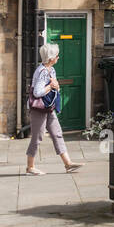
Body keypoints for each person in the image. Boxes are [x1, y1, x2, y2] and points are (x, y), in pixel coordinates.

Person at [26, 42, 81, 175]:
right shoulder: (43, 71)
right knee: (37, 137)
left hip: (49, 107)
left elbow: (54, 86)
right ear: (51, 58)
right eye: (57, 55)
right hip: (39, 109)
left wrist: (55, 86)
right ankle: (30, 167)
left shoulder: (51, 69)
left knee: (57, 133)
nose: (58, 57)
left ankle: (68, 164)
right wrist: (51, 86)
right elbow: (37, 93)